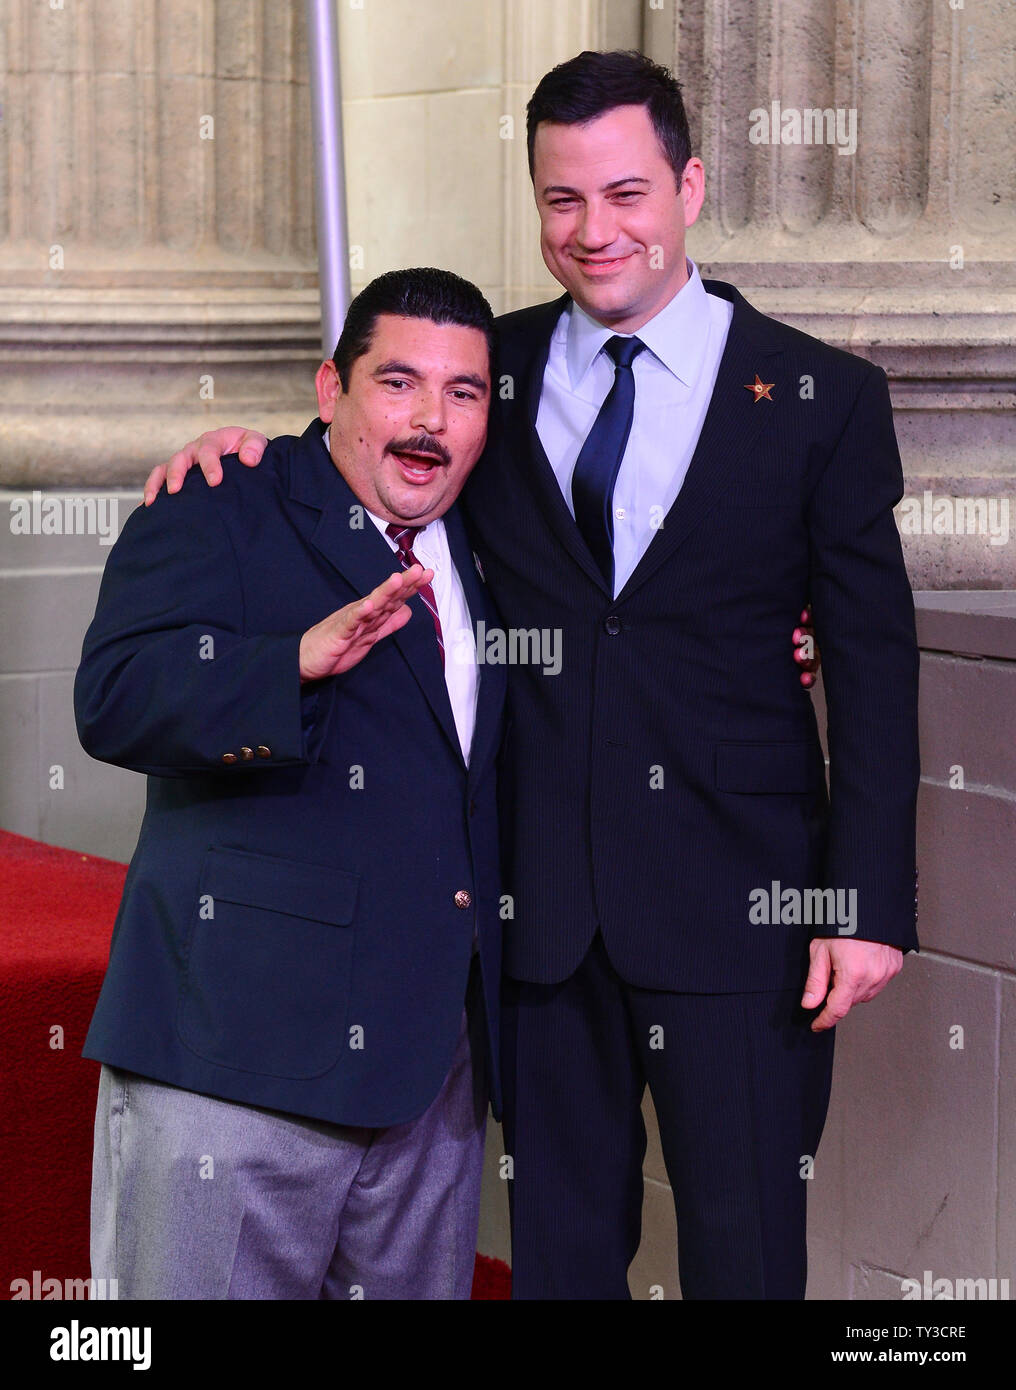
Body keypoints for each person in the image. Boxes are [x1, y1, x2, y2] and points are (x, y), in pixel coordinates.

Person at [142, 51, 919, 1300]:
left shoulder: (821, 397)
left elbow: (876, 668)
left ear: (688, 188)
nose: (592, 231)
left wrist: (867, 902)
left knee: (749, 1256)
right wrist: (241, 453)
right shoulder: (480, 374)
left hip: (743, 913)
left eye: (623, 195)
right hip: (533, 917)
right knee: (558, 1264)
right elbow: (368, 448)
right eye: (560, 200)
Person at [74, 267, 507, 1300]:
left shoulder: (498, 540)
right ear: (329, 391)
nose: (429, 420)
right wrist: (285, 664)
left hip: (426, 1085)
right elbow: (114, 696)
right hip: (230, 1063)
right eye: (397, 382)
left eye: (462, 393)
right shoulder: (222, 502)